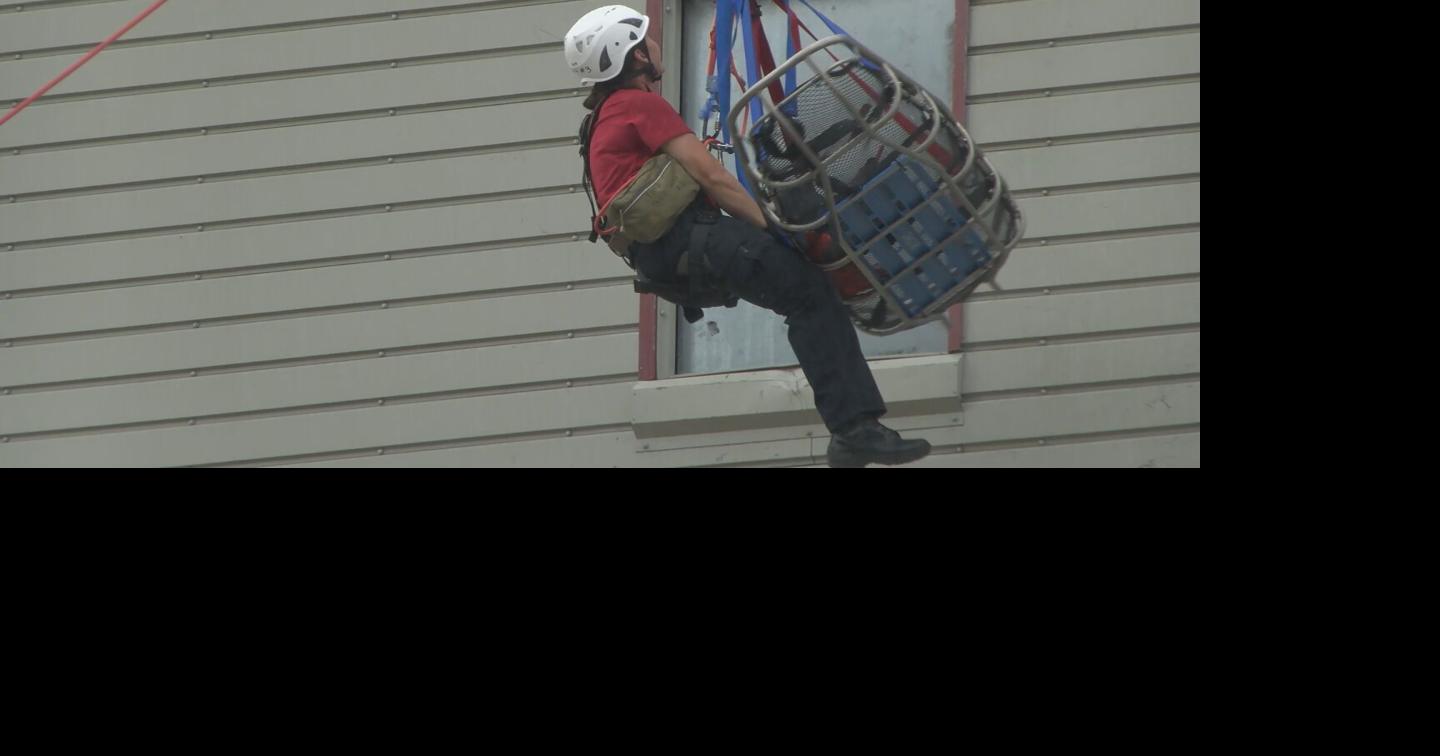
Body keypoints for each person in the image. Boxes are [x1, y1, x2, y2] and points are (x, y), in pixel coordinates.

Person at [565, 5, 931, 468]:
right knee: (810, 293)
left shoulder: (605, 115)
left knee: (804, 291)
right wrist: (773, 227)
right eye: (646, 39)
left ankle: (852, 428)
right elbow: (714, 180)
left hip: (669, 255)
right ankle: (854, 430)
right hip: (690, 240)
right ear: (635, 56)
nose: (655, 44)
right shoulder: (638, 105)